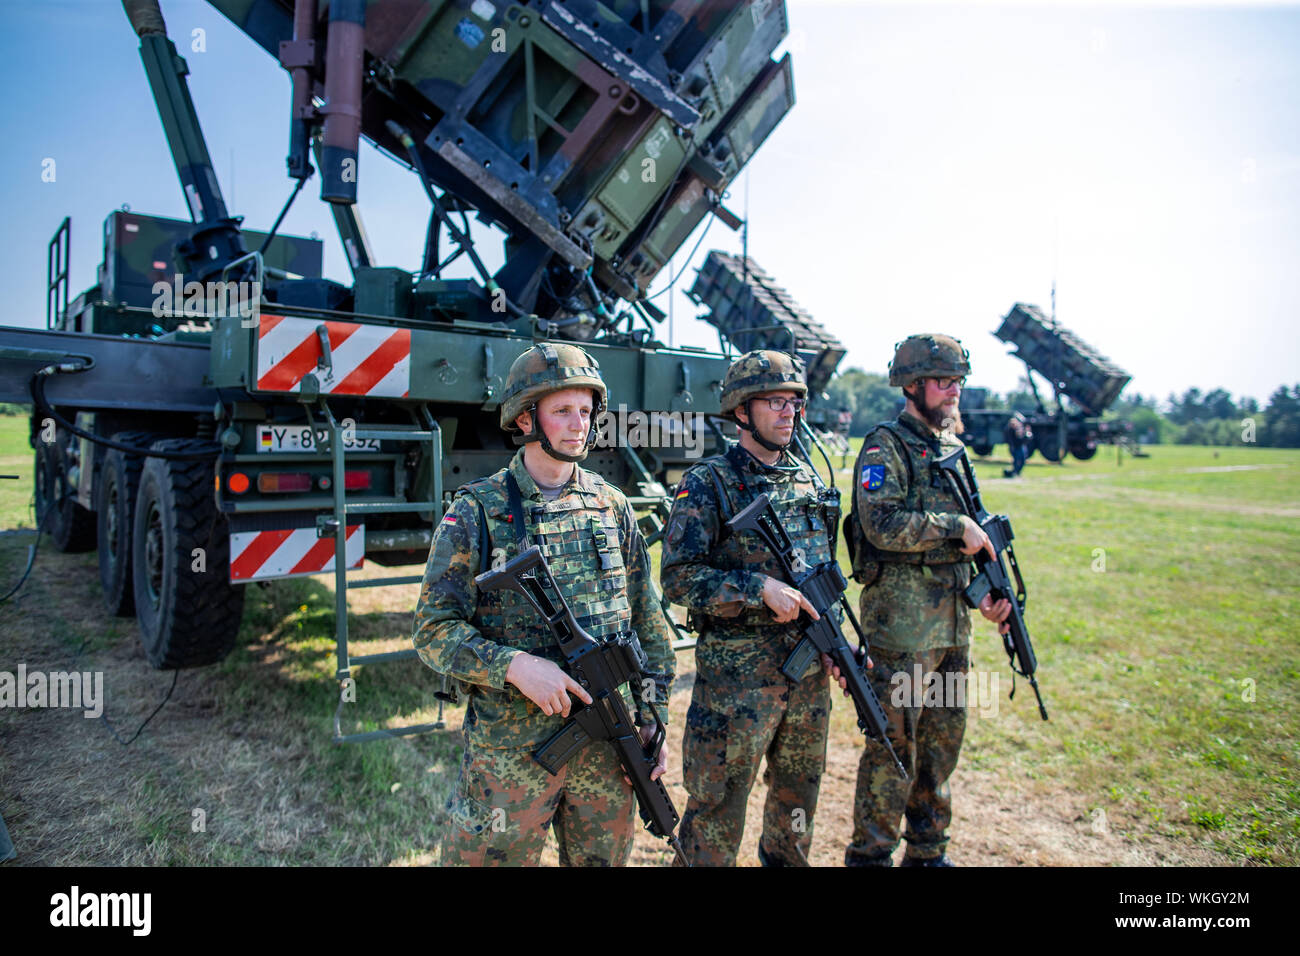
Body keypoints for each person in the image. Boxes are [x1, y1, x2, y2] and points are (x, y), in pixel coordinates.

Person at [412, 342, 676, 866]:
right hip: (511, 756)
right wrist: (513, 667)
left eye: (585, 411)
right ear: (526, 417)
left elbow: (647, 624)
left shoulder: (612, 506)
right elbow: (433, 630)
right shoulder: (478, 512)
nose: (578, 425)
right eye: (562, 411)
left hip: (608, 749)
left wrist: (653, 718)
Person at [660, 349, 836, 866]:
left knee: (797, 805)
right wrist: (755, 586)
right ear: (741, 411)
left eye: (794, 402)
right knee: (716, 815)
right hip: (737, 687)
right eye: (774, 402)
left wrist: (837, 644)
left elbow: (823, 578)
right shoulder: (707, 483)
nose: (788, 413)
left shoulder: (807, 480)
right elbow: (677, 577)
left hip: (807, 682)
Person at [844, 333, 1011, 867]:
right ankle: (871, 856)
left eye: (958, 381)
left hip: (951, 628)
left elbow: (967, 543)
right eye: (943, 382)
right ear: (912, 386)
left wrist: (982, 595)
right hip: (901, 628)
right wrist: (952, 526)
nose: (953, 391)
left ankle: (928, 853)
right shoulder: (884, 446)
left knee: (941, 750)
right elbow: (880, 523)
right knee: (893, 751)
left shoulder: (953, 451)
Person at [1003, 411, 1032, 478]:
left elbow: (1023, 438)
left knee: (1022, 460)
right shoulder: (1010, 430)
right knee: (1017, 460)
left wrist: (1026, 432)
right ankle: (1015, 472)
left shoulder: (1018, 428)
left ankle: (1017, 472)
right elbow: (1013, 438)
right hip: (1015, 447)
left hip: (1021, 446)